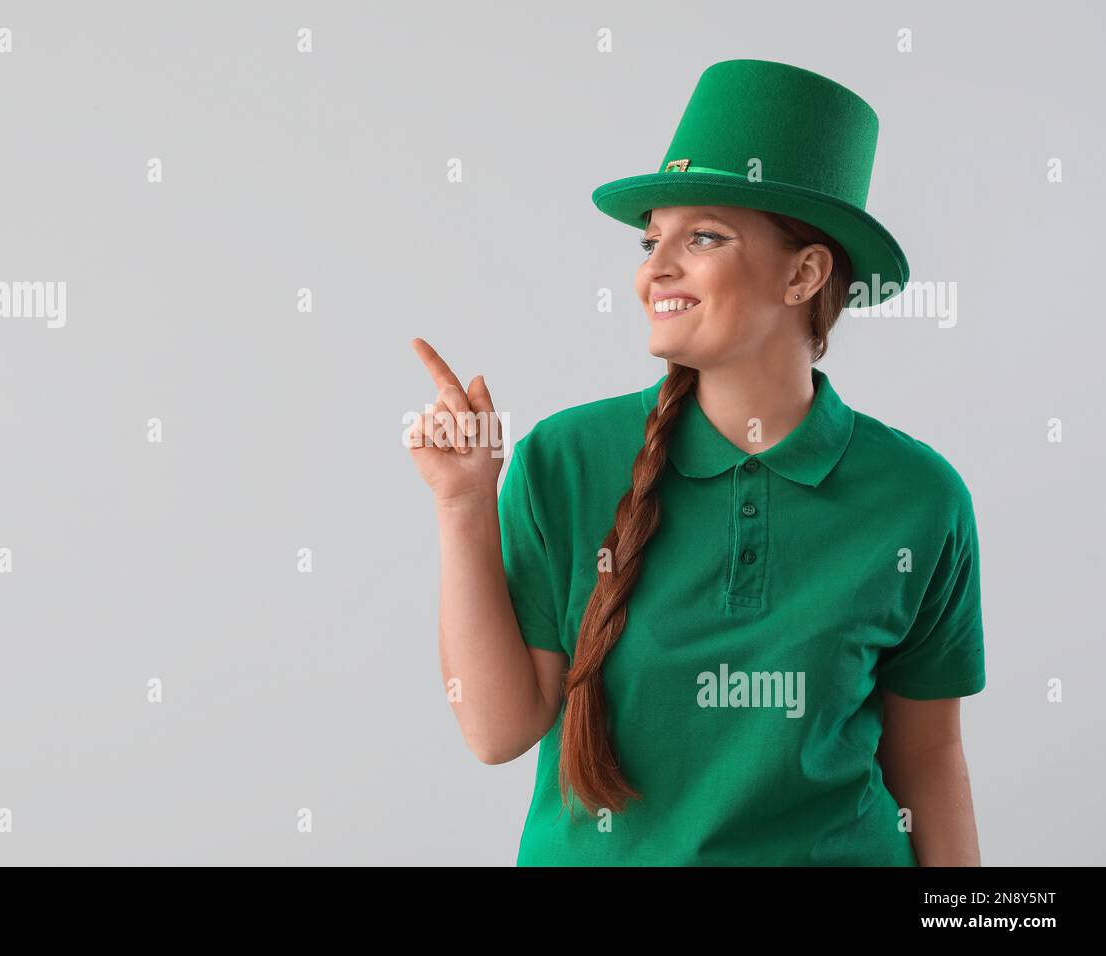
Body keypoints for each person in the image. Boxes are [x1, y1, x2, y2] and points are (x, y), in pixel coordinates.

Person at [406, 59, 984, 866]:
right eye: (652, 240)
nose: (654, 269)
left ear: (805, 272)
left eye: (702, 236)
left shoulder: (920, 498)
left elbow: (927, 758)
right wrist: (463, 506)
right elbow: (497, 731)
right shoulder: (565, 460)